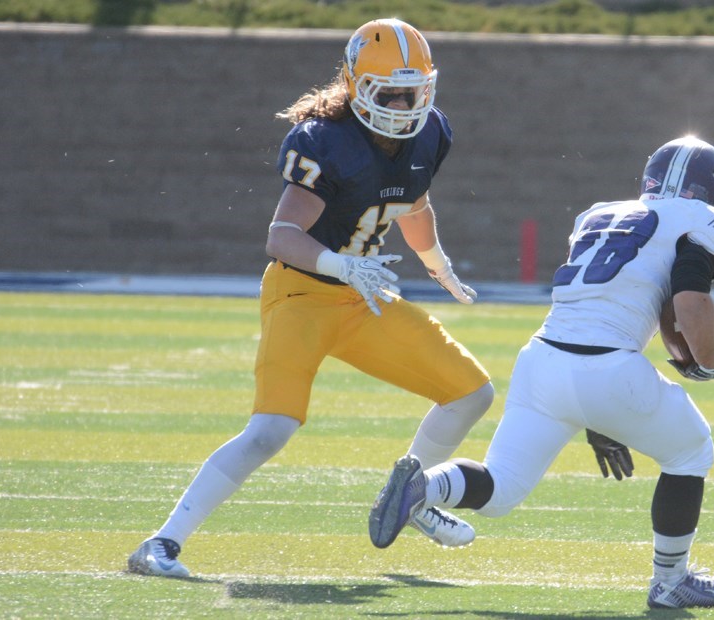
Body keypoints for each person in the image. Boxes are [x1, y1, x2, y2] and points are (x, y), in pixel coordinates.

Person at [128, 17, 494, 578]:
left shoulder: (430, 132)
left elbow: (413, 203)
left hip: (361, 296)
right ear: (355, 85)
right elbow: (281, 237)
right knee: (272, 429)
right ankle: (160, 544)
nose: (402, 103)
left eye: (412, 89)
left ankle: (412, 494)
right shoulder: (325, 140)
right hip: (302, 291)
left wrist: (435, 262)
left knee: (471, 392)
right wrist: (341, 263)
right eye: (388, 91)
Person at [368, 136, 714, 610]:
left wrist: (602, 420)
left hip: (542, 360)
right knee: (691, 449)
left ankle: (426, 485)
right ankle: (670, 581)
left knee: (501, 487)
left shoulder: (601, 214)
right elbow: (689, 300)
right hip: (606, 366)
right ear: (711, 190)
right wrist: (708, 363)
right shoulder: (700, 222)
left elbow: (631, 300)